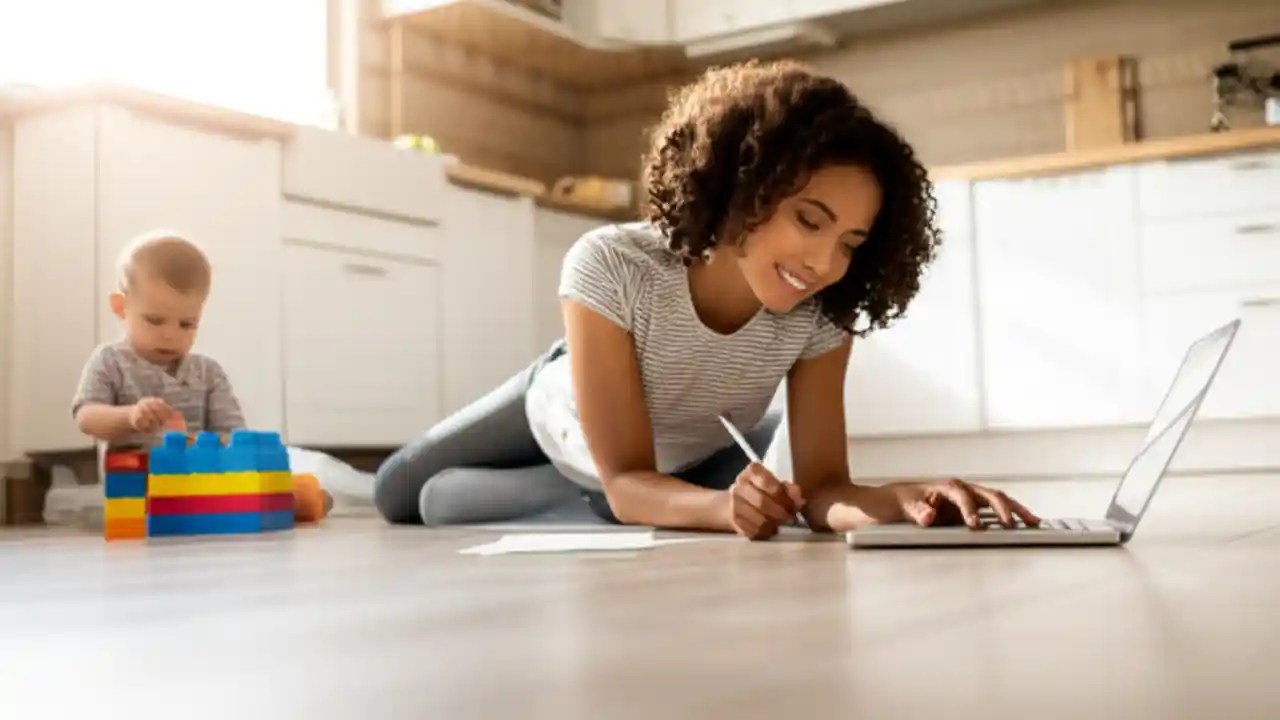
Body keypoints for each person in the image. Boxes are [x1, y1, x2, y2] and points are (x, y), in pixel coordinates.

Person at [375, 60, 1041, 539]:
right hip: (562, 411)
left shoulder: (823, 315)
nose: (825, 263)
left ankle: (602, 498)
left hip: (680, 459)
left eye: (851, 242)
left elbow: (824, 490)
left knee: (446, 503)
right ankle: (601, 497)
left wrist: (899, 499)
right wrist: (714, 507)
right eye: (810, 221)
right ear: (741, 188)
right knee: (400, 489)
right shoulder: (614, 265)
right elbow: (633, 475)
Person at [71, 231, 331, 518]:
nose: (170, 335)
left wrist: (213, 446)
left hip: (202, 481)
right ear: (122, 307)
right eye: (155, 320)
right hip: (141, 486)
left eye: (187, 324)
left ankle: (305, 498)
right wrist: (130, 416)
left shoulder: (208, 373)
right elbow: (86, 417)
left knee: (286, 493)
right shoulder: (109, 361)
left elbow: (233, 435)